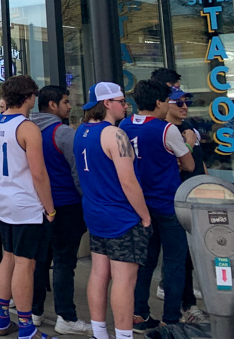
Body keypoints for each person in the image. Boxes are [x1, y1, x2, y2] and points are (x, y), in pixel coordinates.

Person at [75, 82, 152, 339]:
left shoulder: (80, 131)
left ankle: (99, 331)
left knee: (99, 272)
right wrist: (145, 215)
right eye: (121, 100)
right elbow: (128, 182)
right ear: (107, 103)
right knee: (124, 280)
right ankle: (124, 335)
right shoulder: (114, 135)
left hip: (95, 212)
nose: (126, 105)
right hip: (120, 215)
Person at [120, 79, 194, 332]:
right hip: (167, 203)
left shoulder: (124, 125)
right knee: (174, 262)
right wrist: (189, 144)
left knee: (144, 260)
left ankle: (139, 314)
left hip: (139, 204)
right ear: (160, 102)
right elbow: (190, 165)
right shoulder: (166, 129)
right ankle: (171, 318)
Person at [0, 75, 56, 339]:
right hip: (25, 203)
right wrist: (50, 208)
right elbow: (39, 174)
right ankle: (27, 327)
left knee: (8, 257)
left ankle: (3, 318)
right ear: (28, 97)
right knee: (25, 264)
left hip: (2, 199)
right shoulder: (27, 127)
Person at [30, 85, 91, 334]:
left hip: (38, 205)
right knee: (65, 262)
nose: (70, 106)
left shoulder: (27, 129)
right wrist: (86, 198)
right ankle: (65, 316)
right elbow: (79, 174)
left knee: (40, 260)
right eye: (66, 102)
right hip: (66, 204)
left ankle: (34, 311)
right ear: (52, 105)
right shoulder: (64, 133)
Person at [165, 86, 209, 323]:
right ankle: (187, 305)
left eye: (186, 102)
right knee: (181, 257)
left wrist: (209, 186)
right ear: (165, 104)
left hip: (198, 197)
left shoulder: (190, 128)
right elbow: (180, 165)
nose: (184, 107)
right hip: (177, 201)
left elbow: (199, 165)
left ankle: (199, 301)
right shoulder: (168, 131)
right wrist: (188, 145)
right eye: (178, 103)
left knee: (199, 253)